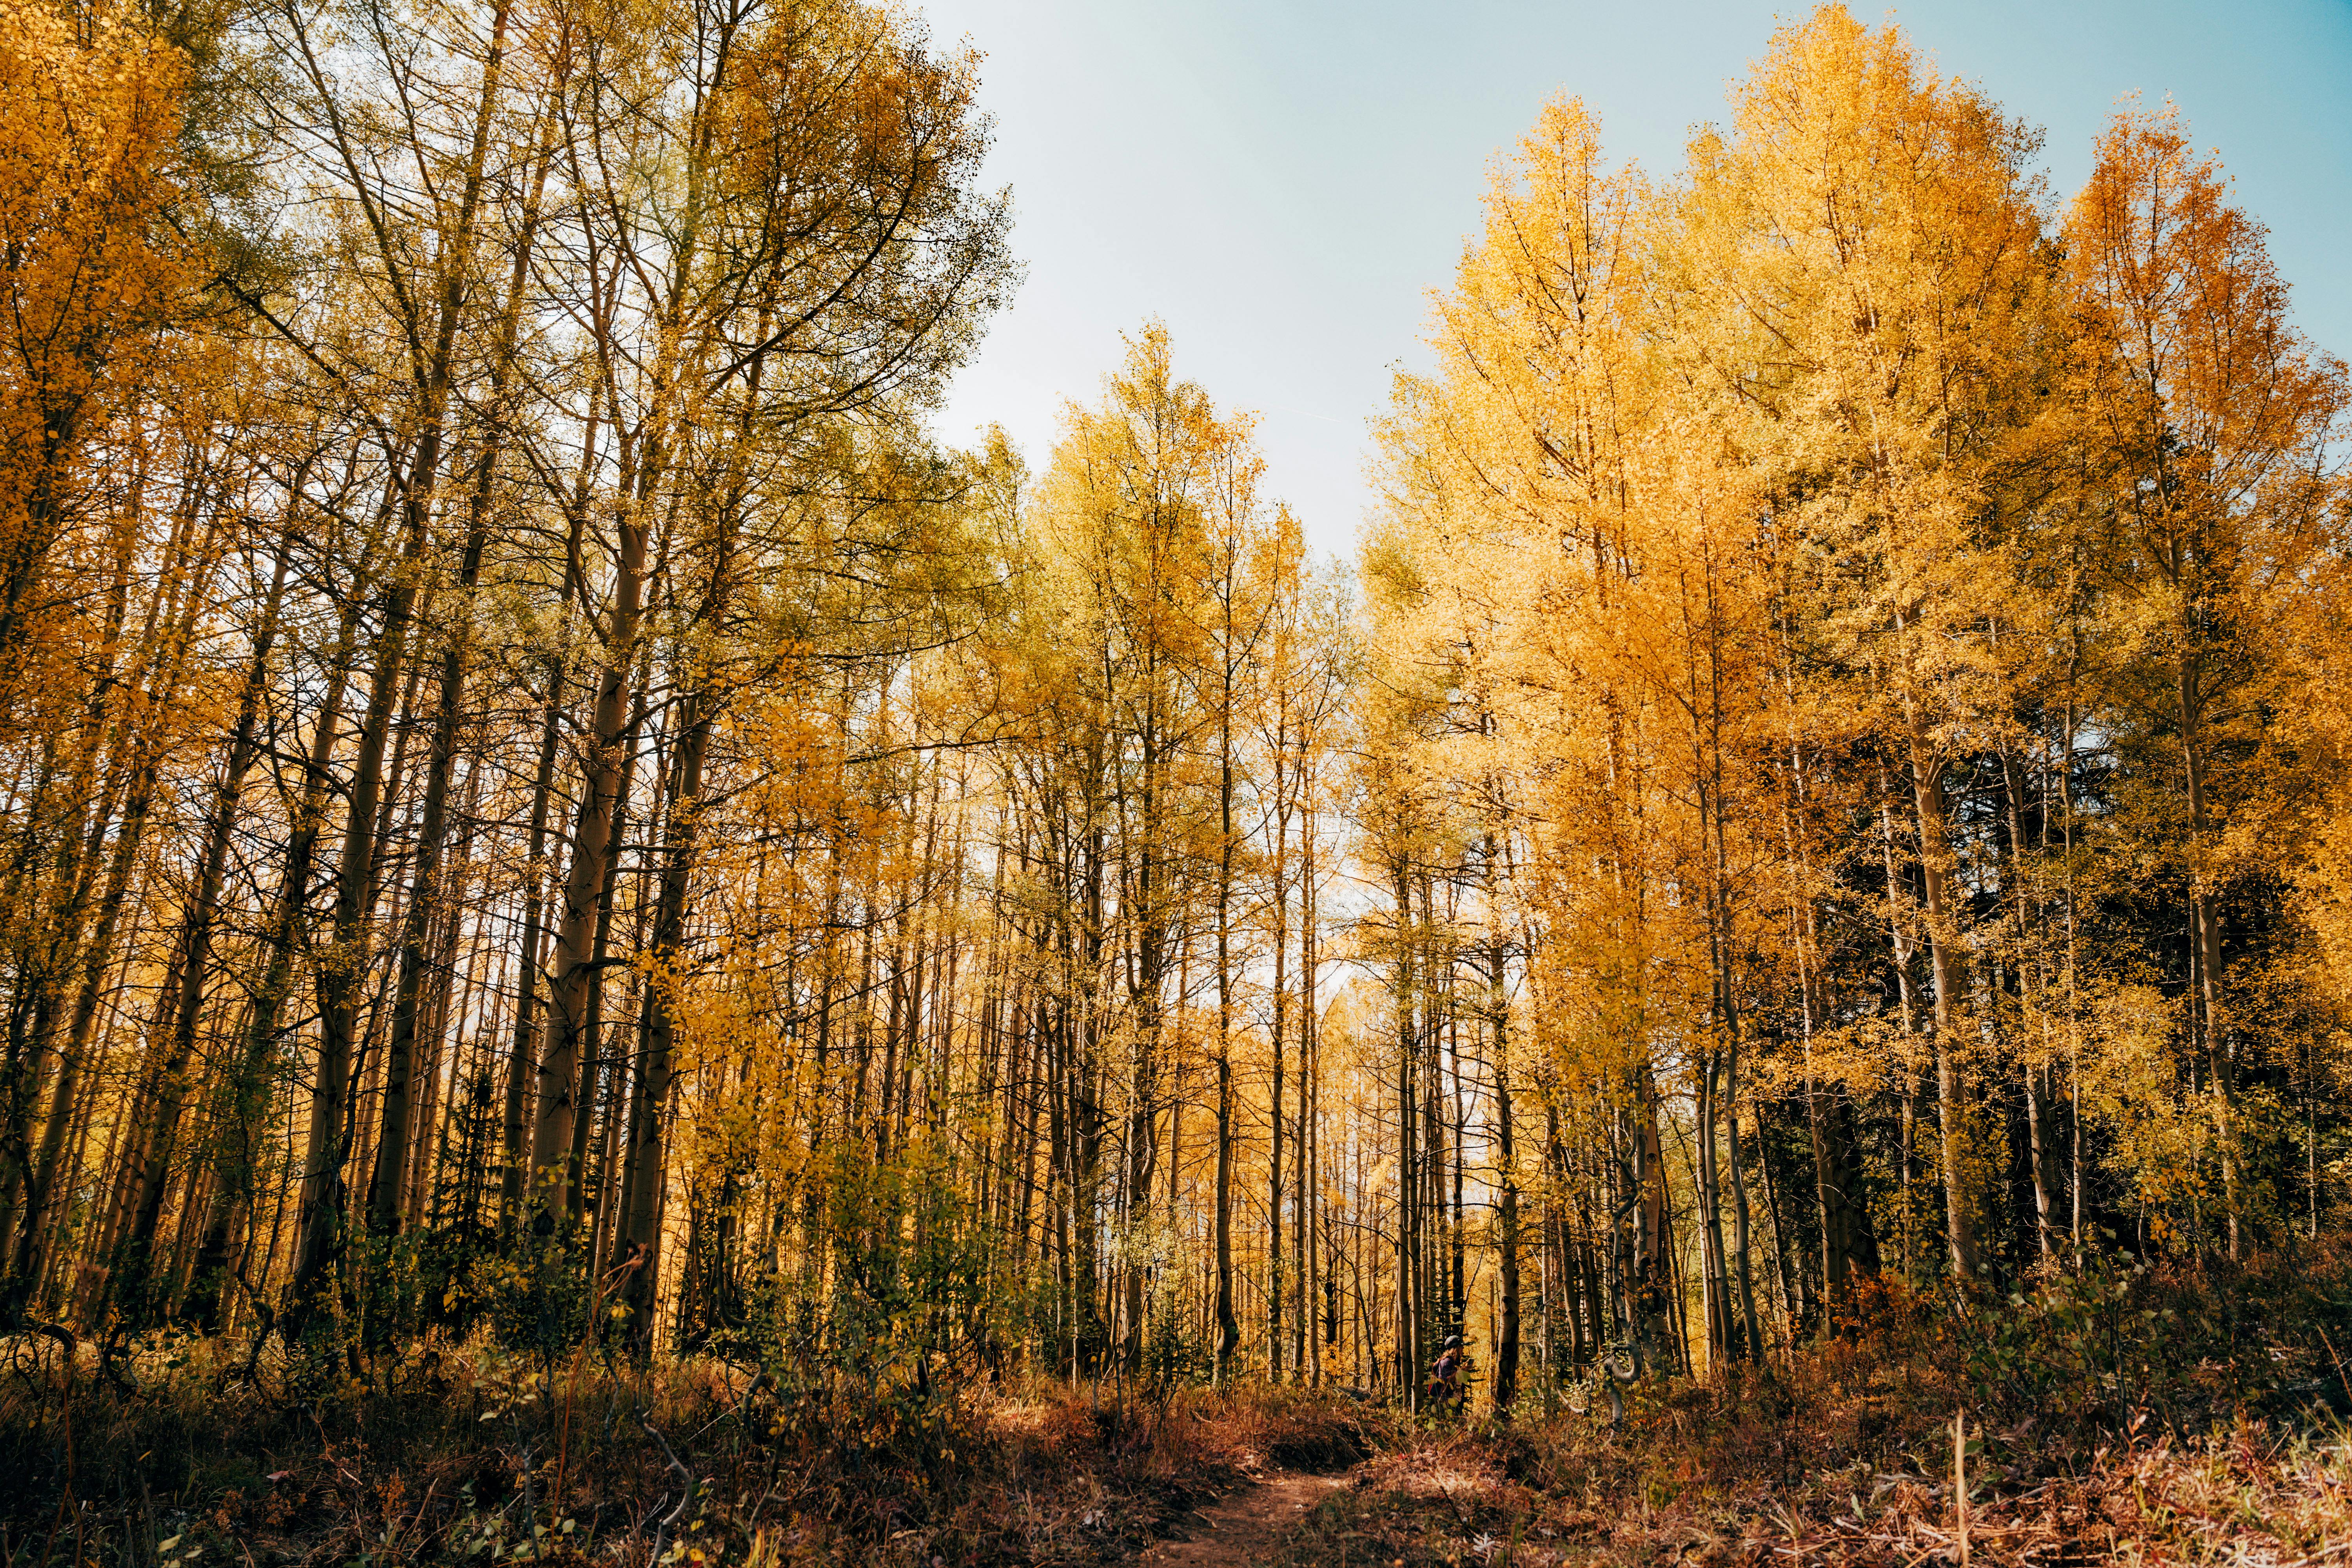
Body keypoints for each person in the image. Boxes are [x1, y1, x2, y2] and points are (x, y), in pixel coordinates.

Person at [1426, 1334, 1471, 1413]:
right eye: (1461, 1346)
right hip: (1446, 1404)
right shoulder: (1446, 1362)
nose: (1463, 1348)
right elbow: (1444, 1381)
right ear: (1455, 1348)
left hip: (1452, 1403)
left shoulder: (1453, 1362)